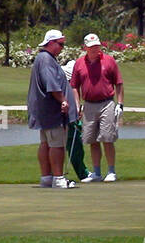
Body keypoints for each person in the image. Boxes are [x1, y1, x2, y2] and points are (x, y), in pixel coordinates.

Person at [70, 32, 124, 182]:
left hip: (107, 103)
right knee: (92, 140)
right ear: (85, 47)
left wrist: (120, 104)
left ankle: (111, 171)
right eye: (92, 47)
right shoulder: (79, 63)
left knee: (107, 138)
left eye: (97, 46)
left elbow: (118, 83)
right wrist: (77, 105)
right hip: (89, 105)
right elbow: (74, 86)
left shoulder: (109, 61)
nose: (96, 49)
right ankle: (97, 173)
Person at [27, 29, 77, 188]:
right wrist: (63, 100)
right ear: (51, 43)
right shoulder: (46, 59)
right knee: (56, 145)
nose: (62, 48)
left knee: (46, 144)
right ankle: (58, 179)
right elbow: (52, 84)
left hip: (45, 111)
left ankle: (47, 178)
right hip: (52, 111)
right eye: (60, 44)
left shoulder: (44, 59)